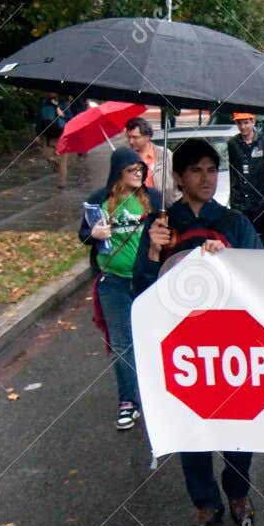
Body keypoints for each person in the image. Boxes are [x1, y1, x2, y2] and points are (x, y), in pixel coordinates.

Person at [135, 137, 264, 526]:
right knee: (191, 423)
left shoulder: (234, 223)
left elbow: (259, 279)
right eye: (196, 170)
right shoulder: (160, 226)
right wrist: (153, 254)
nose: (206, 178)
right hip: (182, 344)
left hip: (230, 340)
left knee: (238, 425)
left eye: (212, 169)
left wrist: (227, 262)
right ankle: (205, 502)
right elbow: (141, 290)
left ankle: (238, 492)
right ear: (177, 176)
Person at [79, 147, 163, 431]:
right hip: (112, 280)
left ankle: (158, 397)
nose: (138, 173)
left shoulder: (153, 198)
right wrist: (93, 234)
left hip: (146, 279)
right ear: (118, 172)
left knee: (153, 339)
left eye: (141, 169)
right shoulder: (98, 200)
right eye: (132, 169)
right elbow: (83, 235)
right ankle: (128, 402)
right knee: (121, 343)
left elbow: (170, 232)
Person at [226, 112, 264, 231]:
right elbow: (232, 172)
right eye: (239, 123)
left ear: (253, 122)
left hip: (260, 199)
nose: (243, 127)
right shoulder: (233, 143)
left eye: (246, 123)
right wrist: (234, 196)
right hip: (240, 201)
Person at [123, 116, 175, 203]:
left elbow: (178, 183)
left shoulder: (165, 155)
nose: (131, 142)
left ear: (147, 137)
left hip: (163, 207)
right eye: (129, 137)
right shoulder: (126, 157)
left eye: (135, 137)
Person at [36, 93, 69, 188]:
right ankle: (56, 165)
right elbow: (39, 119)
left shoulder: (63, 104)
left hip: (62, 134)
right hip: (48, 135)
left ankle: (62, 181)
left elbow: (71, 118)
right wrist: (38, 134)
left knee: (63, 159)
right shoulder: (45, 104)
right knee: (46, 155)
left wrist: (62, 115)